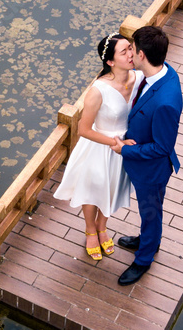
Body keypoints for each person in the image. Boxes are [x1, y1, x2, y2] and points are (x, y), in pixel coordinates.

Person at [53, 32, 141, 261]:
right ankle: (90, 230)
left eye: (130, 48)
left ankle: (103, 227)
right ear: (110, 62)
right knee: (93, 190)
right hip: (100, 145)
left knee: (113, 188)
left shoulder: (138, 78)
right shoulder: (98, 91)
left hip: (126, 147)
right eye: (124, 52)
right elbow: (84, 129)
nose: (131, 54)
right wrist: (115, 143)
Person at [111, 25, 182, 286]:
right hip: (144, 164)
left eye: (132, 49)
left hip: (151, 171)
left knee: (151, 212)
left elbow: (163, 147)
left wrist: (125, 149)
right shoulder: (164, 71)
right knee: (150, 212)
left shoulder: (165, 101)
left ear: (142, 55)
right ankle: (148, 240)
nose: (130, 53)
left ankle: (144, 259)